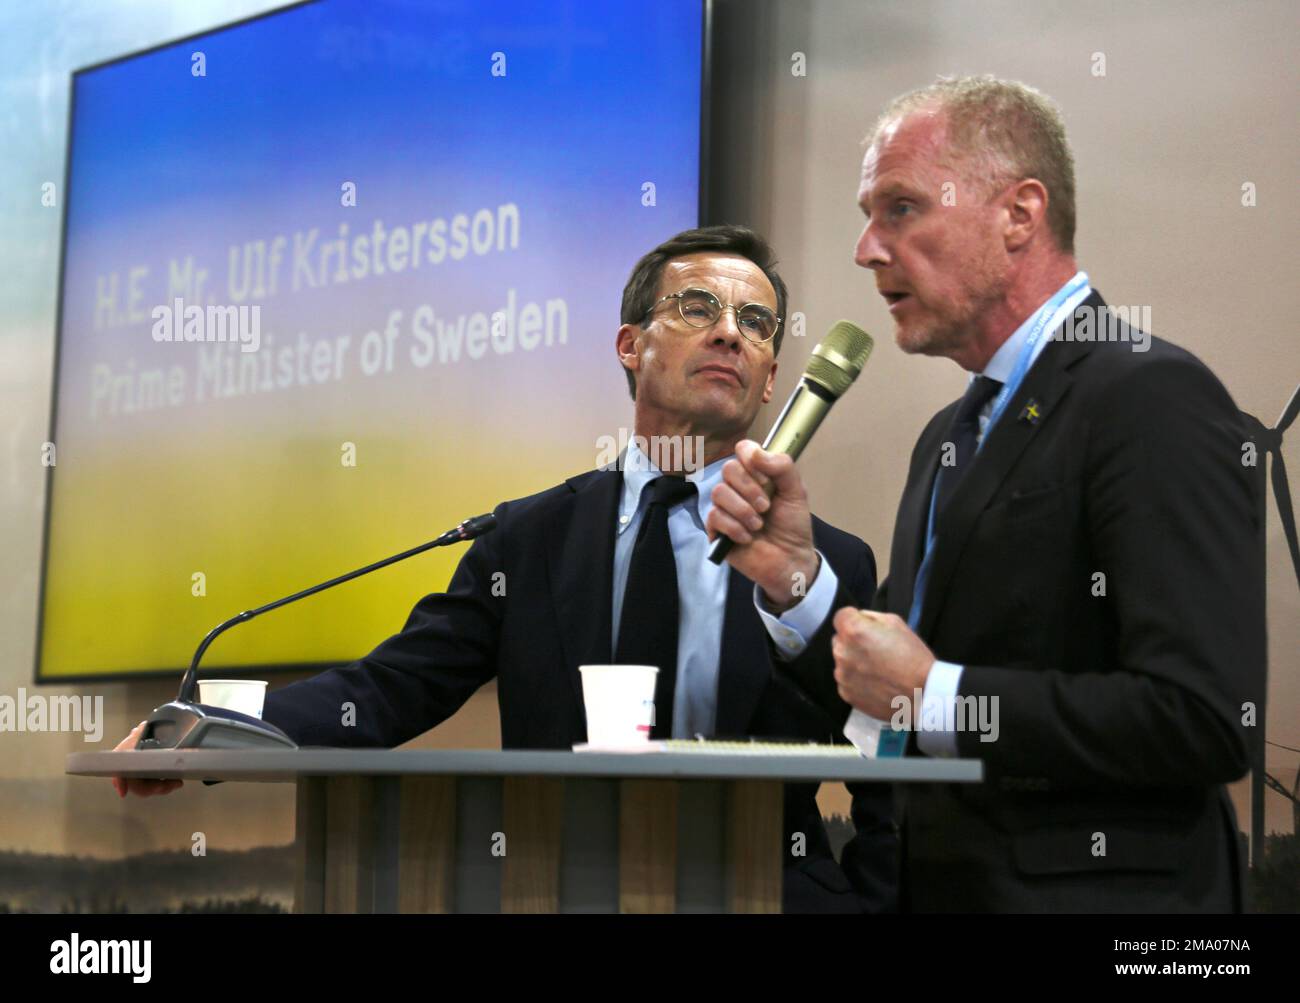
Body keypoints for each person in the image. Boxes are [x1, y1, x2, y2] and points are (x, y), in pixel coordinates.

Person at [113, 225, 899, 914]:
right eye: (698, 308)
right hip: (550, 890)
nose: (730, 333)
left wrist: (868, 901)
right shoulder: (526, 538)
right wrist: (209, 733)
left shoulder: (833, 560)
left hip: (767, 899)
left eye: (756, 324)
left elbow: (882, 745)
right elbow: (386, 690)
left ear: (769, 378)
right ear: (630, 345)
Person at [706, 78, 1263, 912]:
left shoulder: (1149, 395)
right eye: (868, 213)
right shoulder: (949, 434)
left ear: (1019, 214)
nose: (866, 248)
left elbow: (1208, 718)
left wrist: (940, 694)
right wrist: (797, 580)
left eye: (899, 208)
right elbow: (893, 711)